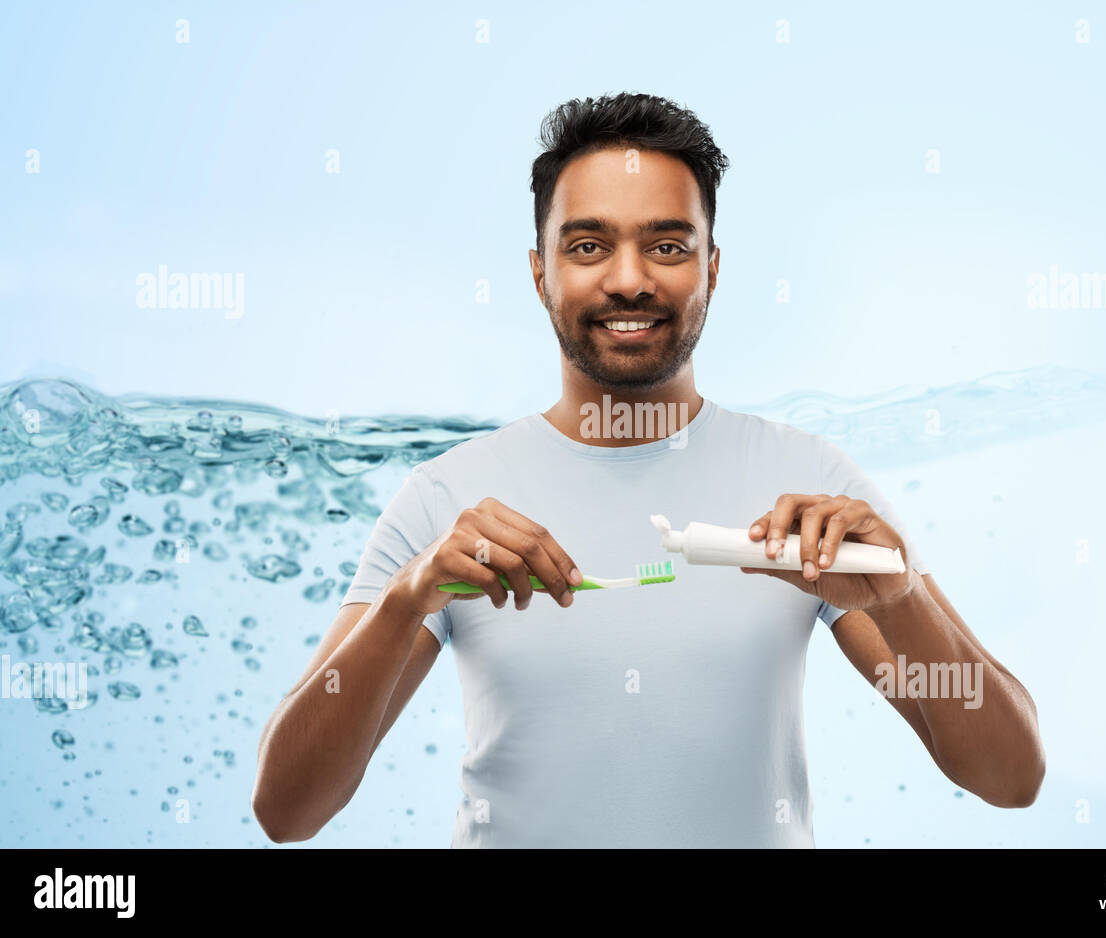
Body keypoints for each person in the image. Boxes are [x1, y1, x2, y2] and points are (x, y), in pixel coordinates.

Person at [252, 92, 1044, 847]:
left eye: (667, 246)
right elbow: (287, 812)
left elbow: (1011, 777)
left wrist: (900, 600)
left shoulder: (809, 484)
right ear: (539, 272)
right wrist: (404, 604)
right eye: (588, 246)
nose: (629, 279)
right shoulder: (444, 501)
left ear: (713, 266)